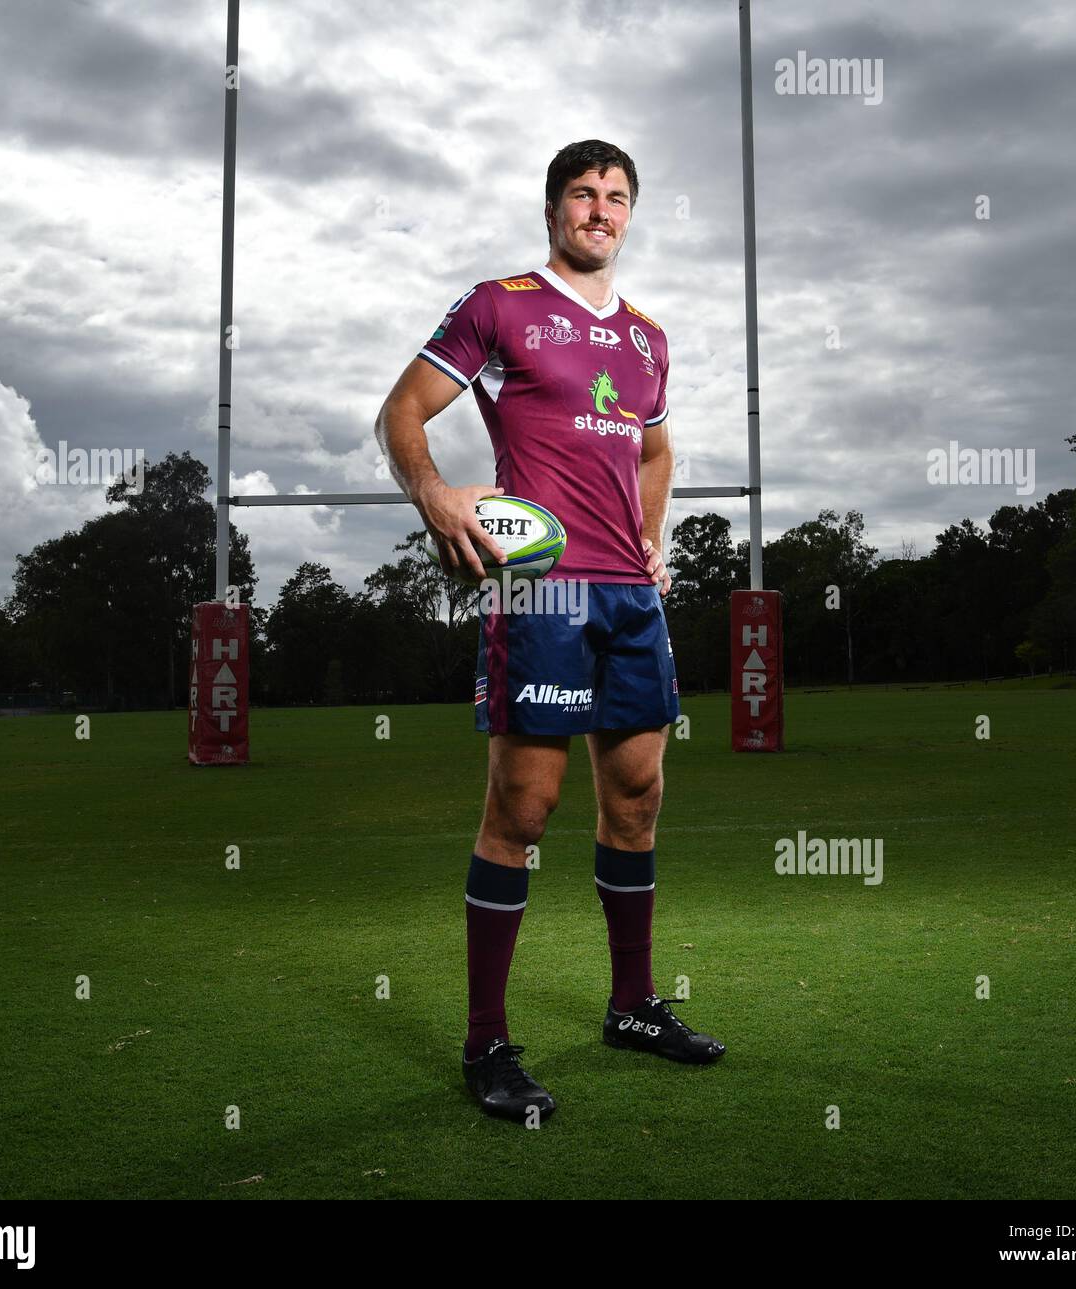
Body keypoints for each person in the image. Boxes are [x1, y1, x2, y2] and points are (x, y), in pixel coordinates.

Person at [374, 139, 724, 1123]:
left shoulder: (650, 339)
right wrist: (437, 497)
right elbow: (402, 410)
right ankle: (486, 1040)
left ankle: (633, 1006)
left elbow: (655, 447)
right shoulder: (500, 306)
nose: (600, 210)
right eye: (582, 194)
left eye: (616, 197)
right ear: (552, 208)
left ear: (629, 215)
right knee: (524, 811)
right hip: (544, 594)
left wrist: (654, 539)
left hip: (627, 594)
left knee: (639, 794)